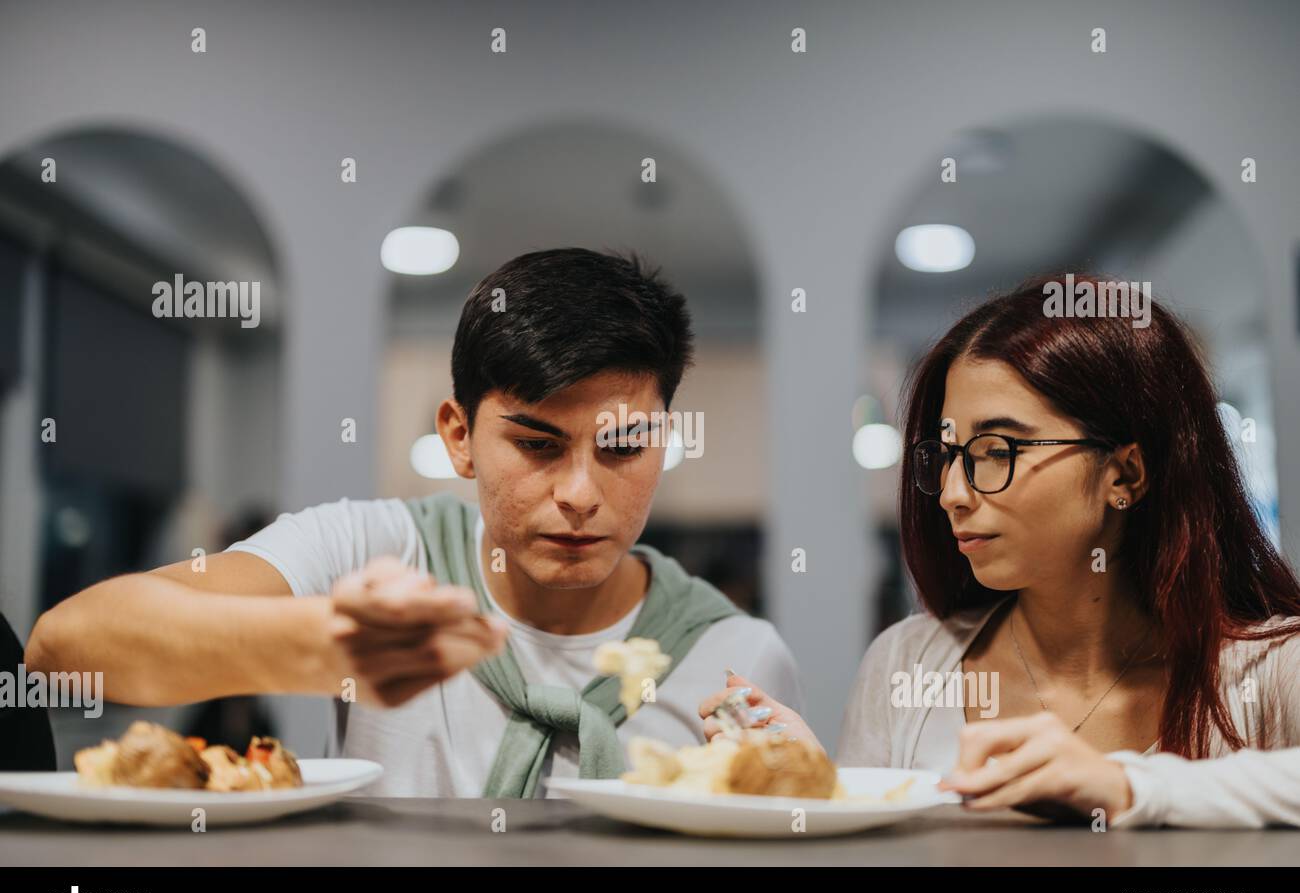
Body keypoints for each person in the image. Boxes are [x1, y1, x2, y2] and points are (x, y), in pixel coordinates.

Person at [26, 247, 801, 797]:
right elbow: (67, 645)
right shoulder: (370, 552)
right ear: (459, 437)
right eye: (538, 444)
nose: (579, 493)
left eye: (623, 447)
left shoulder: (737, 656)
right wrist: (317, 644)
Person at [700, 274, 1300, 827]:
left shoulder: (1267, 671)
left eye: (997, 450)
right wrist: (824, 796)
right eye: (947, 455)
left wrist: (1129, 786)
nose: (954, 495)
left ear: (1126, 474)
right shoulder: (907, 665)